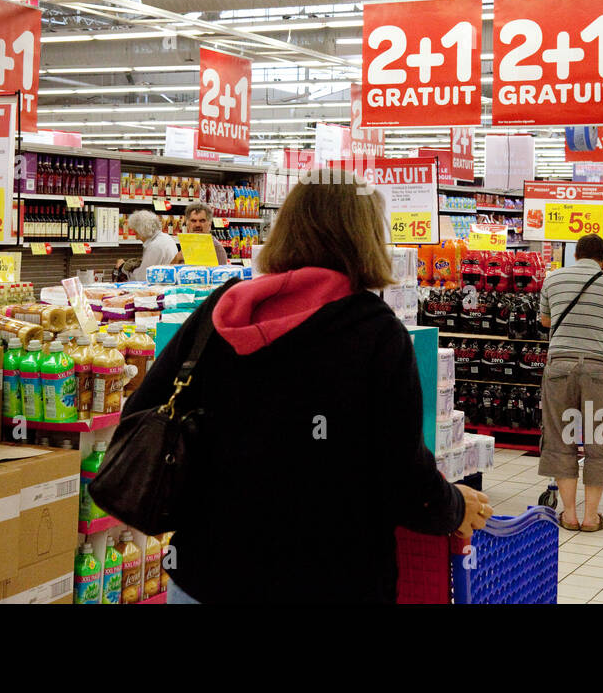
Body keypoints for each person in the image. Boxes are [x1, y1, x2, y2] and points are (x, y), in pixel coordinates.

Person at [124, 171, 491, 603]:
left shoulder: (223, 309)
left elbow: (143, 412)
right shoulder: (375, 332)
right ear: (368, 237)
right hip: (330, 577)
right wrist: (454, 506)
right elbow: (401, 475)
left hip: (205, 571)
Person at [538, 233, 603, 533]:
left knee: (559, 436)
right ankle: (591, 516)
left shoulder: (552, 279)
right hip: (597, 367)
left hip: (559, 368)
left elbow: (545, 321)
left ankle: (569, 514)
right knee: (599, 438)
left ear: (575, 255)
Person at [118, 209, 177, 280]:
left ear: (143, 230)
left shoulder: (155, 246)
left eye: (136, 233)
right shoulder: (166, 238)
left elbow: (142, 278)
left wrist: (123, 268)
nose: (136, 238)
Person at [172, 200, 229, 265]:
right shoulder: (186, 245)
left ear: (209, 223)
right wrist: (177, 258)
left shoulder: (217, 249)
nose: (197, 225)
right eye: (193, 221)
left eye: (202, 221)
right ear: (187, 224)